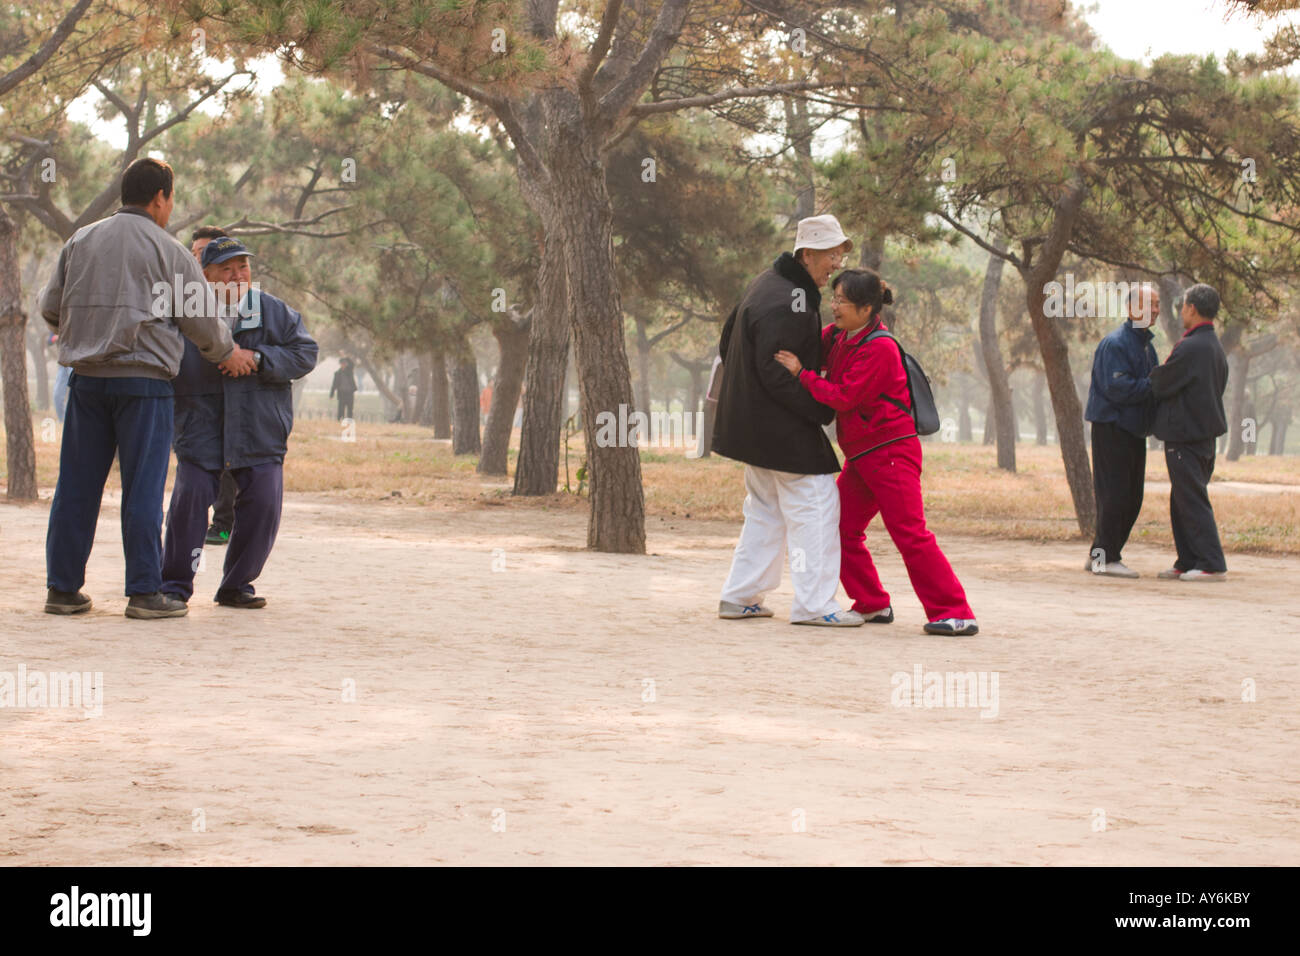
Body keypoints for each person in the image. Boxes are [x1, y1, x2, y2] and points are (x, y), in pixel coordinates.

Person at [40, 157, 239, 619]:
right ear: (159, 198)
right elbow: (205, 327)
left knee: (76, 487)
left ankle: (63, 590)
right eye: (171, 198)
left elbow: (52, 308)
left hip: (86, 383)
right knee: (143, 490)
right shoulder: (169, 252)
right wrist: (228, 353)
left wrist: (89, 329)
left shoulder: (80, 240)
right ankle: (145, 592)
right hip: (145, 385)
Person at [775, 268, 978, 636]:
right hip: (864, 457)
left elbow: (844, 396)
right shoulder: (839, 337)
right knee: (838, 527)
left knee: (910, 534)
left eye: (842, 302)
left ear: (867, 308)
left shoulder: (881, 348)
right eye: (833, 298)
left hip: (891, 455)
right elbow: (810, 343)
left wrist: (801, 374)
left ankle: (955, 611)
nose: (834, 307)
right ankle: (871, 602)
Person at [712, 214, 863, 627]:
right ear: (808, 253)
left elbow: (727, 342)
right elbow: (776, 370)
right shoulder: (790, 299)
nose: (837, 262)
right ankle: (817, 606)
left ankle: (740, 596)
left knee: (765, 510)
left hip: (752, 427)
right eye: (832, 254)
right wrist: (820, 409)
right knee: (816, 506)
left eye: (840, 253)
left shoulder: (767, 283)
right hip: (780, 428)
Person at [160, 236, 318, 608]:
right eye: (226, 269)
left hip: (259, 427)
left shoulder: (273, 311)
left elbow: (305, 353)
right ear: (205, 275)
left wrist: (260, 359)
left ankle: (236, 586)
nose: (237, 276)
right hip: (200, 425)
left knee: (263, 504)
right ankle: (175, 587)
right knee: (190, 503)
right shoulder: (186, 311)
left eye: (243, 267)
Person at [1150, 283, 1229, 581]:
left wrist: (1152, 374)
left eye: (1183, 306)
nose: (1181, 311)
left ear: (1192, 308)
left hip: (1185, 435)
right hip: (1204, 436)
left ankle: (1211, 564)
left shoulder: (1191, 347)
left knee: (1191, 498)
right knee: (1182, 498)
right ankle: (1187, 560)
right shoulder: (1213, 346)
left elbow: (1161, 383)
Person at [1082, 284, 1161, 578]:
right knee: (1114, 495)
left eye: (1157, 304)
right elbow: (1117, 387)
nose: (1156, 310)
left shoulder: (1145, 344)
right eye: (1150, 304)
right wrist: (1155, 386)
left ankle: (1100, 555)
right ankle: (1106, 558)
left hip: (1133, 431)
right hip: (1112, 427)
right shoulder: (1115, 343)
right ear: (1131, 309)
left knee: (1132, 496)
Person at [191, 225, 239, 546]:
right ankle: (195, 518)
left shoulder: (236, 297)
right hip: (196, 392)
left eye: (204, 254)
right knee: (195, 458)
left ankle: (223, 523)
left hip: (231, 389)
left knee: (229, 460)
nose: (197, 259)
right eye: (195, 254)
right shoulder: (187, 295)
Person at [330, 356, 357, 421]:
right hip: (342, 393)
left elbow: (352, 364)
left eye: (345, 363)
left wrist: (346, 356)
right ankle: (339, 419)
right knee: (341, 408)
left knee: (350, 408)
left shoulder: (349, 371)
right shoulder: (337, 373)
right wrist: (331, 394)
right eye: (342, 363)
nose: (343, 365)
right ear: (340, 364)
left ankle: (349, 420)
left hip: (350, 393)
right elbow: (334, 384)